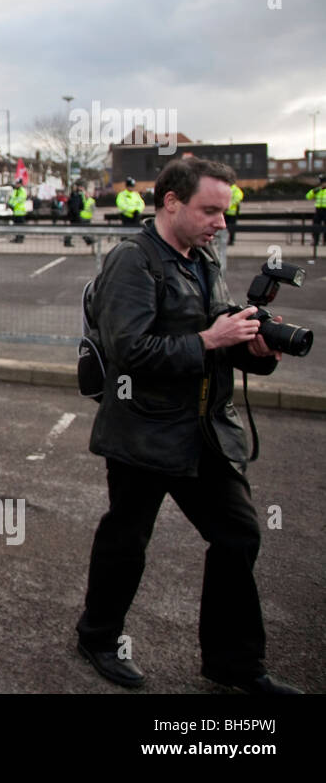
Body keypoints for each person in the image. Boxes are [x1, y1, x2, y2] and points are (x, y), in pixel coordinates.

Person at [75, 157, 300, 695]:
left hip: (204, 431)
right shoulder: (132, 260)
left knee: (238, 537)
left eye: (224, 212)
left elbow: (218, 333)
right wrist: (209, 341)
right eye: (210, 210)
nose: (220, 222)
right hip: (142, 431)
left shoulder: (203, 257)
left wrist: (256, 349)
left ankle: (235, 665)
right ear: (171, 202)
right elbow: (129, 351)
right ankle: (99, 637)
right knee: (127, 539)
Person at [306, 174, 326, 263]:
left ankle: (325, 241)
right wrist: (315, 190)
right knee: (315, 226)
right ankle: (316, 241)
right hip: (318, 210)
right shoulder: (317, 190)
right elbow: (308, 196)